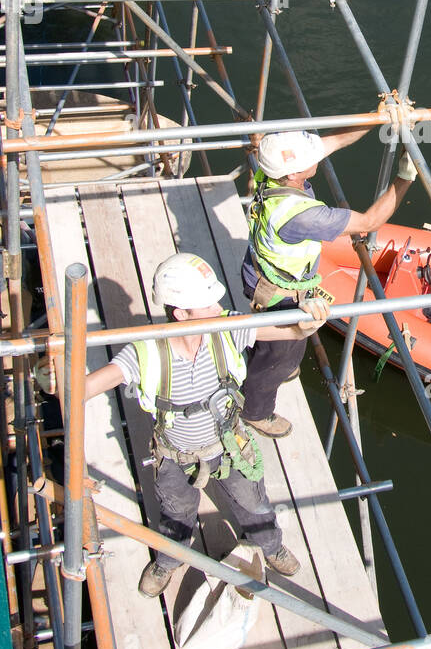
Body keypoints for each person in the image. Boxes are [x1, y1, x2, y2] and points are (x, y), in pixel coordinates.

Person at [82, 252, 328, 598]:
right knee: (176, 514)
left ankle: (270, 546)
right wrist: (58, 379)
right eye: (208, 305)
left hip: (228, 445)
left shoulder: (225, 330)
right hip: (176, 455)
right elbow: (87, 388)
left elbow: (285, 330)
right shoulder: (145, 354)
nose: (219, 309)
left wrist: (307, 323)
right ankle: (169, 559)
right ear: (182, 314)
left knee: (254, 503)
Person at [241, 127, 417, 436]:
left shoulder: (270, 174)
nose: (319, 154)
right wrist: (405, 175)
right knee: (282, 356)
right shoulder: (302, 216)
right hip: (280, 293)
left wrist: (375, 119)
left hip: (258, 272)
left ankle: (261, 354)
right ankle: (255, 410)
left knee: (271, 343)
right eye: (311, 156)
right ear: (295, 173)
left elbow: (332, 142)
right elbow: (370, 222)